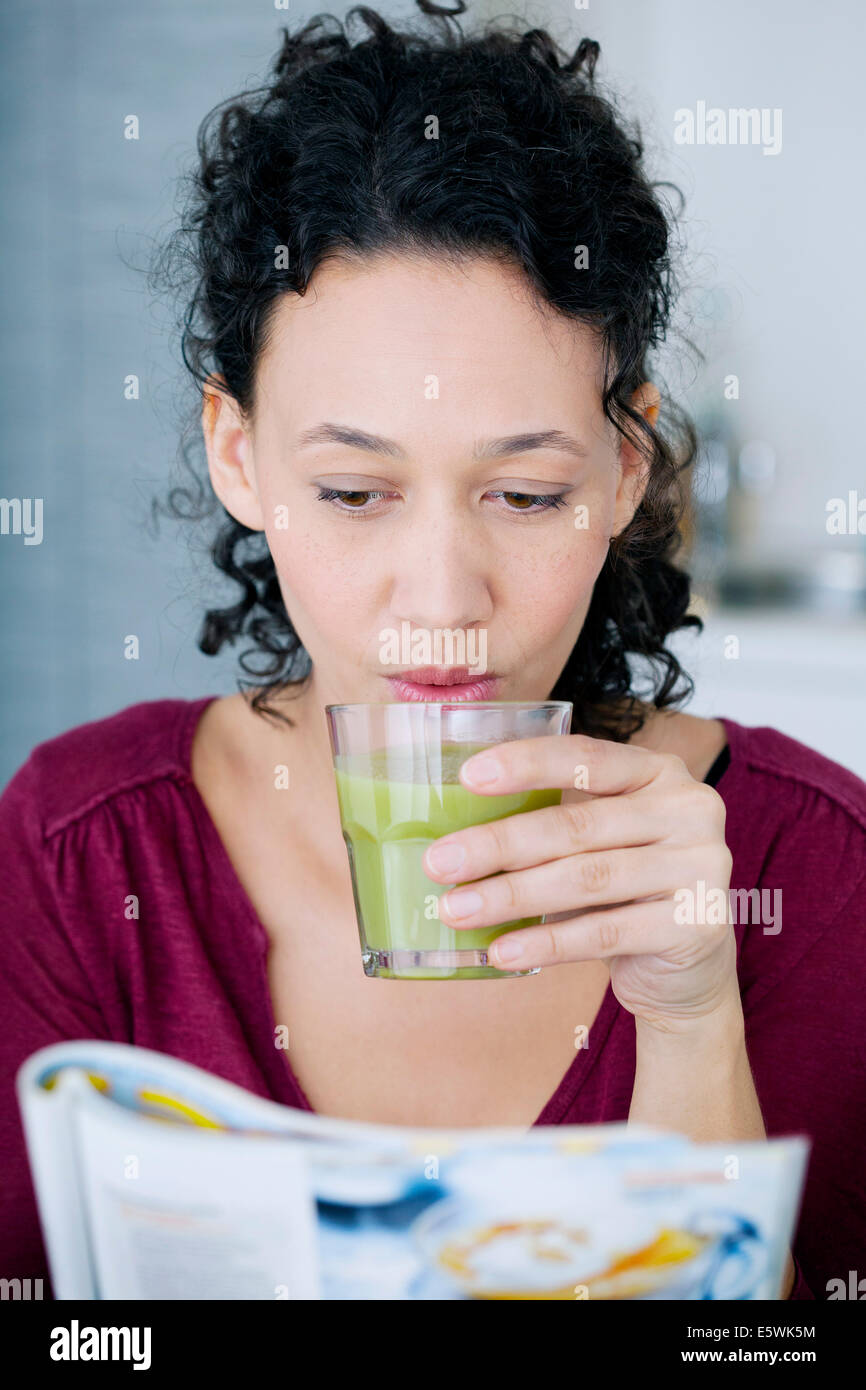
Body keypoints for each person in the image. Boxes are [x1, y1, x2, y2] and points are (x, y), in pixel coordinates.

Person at [1, 1, 864, 1301]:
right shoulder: (82, 850)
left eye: (521, 494)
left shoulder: (811, 866)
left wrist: (690, 1022)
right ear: (238, 455)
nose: (440, 602)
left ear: (624, 464)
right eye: (354, 492)